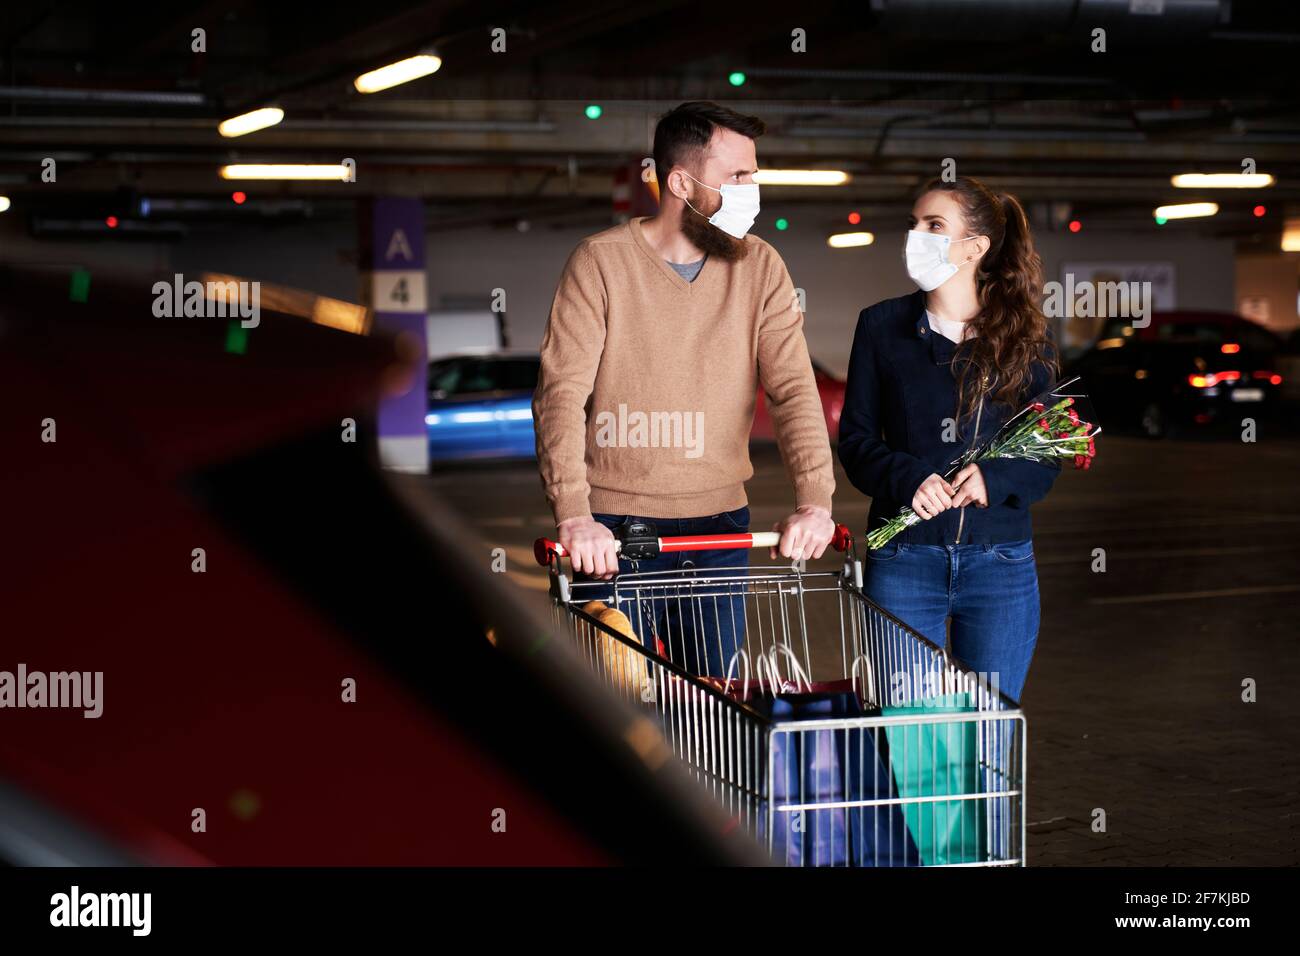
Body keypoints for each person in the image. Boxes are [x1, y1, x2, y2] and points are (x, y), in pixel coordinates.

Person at [532, 101, 836, 677]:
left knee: (710, 710)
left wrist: (815, 501)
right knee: (614, 707)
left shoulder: (762, 266)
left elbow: (794, 390)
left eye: (755, 174)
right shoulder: (600, 263)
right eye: (737, 177)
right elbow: (561, 394)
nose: (752, 190)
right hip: (613, 531)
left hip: (721, 526)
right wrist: (574, 514)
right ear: (680, 182)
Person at [838, 175, 1061, 705]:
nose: (917, 236)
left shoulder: (1026, 335)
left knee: (989, 738)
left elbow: (1051, 447)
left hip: (1001, 565)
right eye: (914, 225)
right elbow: (856, 441)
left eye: (935, 225)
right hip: (904, 562)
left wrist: (996, 477)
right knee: (911, 734)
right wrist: (909, 477)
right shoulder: (881, 326)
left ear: (976, 247)